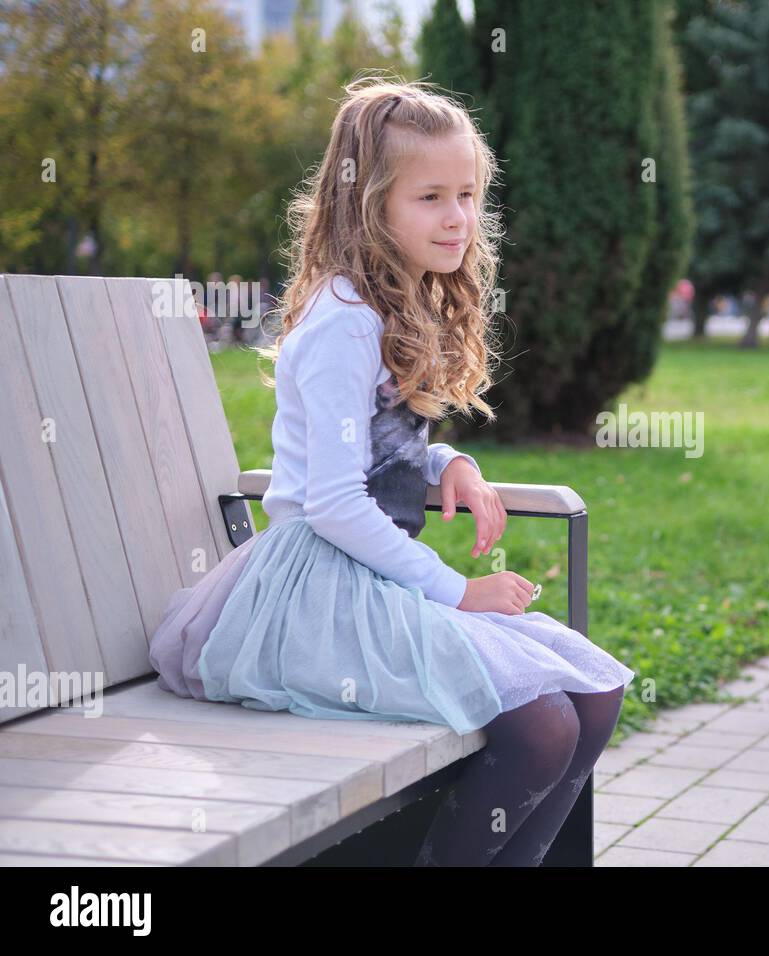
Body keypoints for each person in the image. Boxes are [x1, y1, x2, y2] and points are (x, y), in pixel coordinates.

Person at [146, 78, 634, 867]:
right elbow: (335, 500)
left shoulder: (393, 305)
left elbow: (381, 448)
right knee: (542, 726)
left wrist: (453, 462)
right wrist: (459, 592)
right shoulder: (343, 322)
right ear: (370, 205)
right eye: (431, 196)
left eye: (469, 194)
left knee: (595, 695)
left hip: (372, 584)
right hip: (318, 595)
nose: (458, 218)